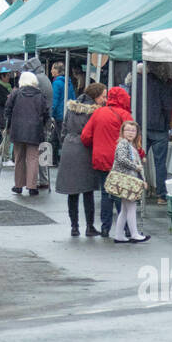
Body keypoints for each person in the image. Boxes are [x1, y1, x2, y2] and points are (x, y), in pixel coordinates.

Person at [55, 82, 104, 236]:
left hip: (69, 148)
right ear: (95, 96)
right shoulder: (95, 112)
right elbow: (93, 134)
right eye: (103, 96)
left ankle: (74, 227)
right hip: (85, 149)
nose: (104, 99)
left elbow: (63, 129)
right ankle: (89, 226)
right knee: (87, 190)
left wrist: (67, 142)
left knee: (72, 191)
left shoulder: (71, 107)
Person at [82, 86, 133, 235]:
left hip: (101, 158)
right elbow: (133, 138)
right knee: (120, 194)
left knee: (106, 193)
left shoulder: (98, 112)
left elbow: (85, 136)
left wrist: (97, 145)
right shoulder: (125, 115)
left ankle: (105, 228)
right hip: (119, 159)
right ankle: (126, 228)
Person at [4, 70, 50, 196]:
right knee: (33, 158)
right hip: (35, 130)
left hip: (18, 129)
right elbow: (45, 112)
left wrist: (8, 126)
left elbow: (7, 109)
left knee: (19, 158)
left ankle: (18, 185)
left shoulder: (15, 94)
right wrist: (44, 124)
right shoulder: (40, 95)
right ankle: (32, 186)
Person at [110, 119, 149, 243]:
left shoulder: (130, 145)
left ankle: (119, 235)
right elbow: (121, 159)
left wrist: (143, 179)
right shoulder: (124, 144)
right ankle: (134, 234)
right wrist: (135, 167)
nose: (131, 133)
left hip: (127, 180)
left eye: (133, 130)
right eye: (127, 130)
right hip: (126, 180)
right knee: (131, 207)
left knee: (125, 209)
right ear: (122, 131)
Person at [144, 63, 172, 205]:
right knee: (160, 163)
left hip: (141, 126)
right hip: (159, 126)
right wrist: (168, 123)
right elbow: (167, 106)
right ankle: (161, 195)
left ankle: (138, 190)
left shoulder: (138, 84)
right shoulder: (162, 85)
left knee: (137, 161)